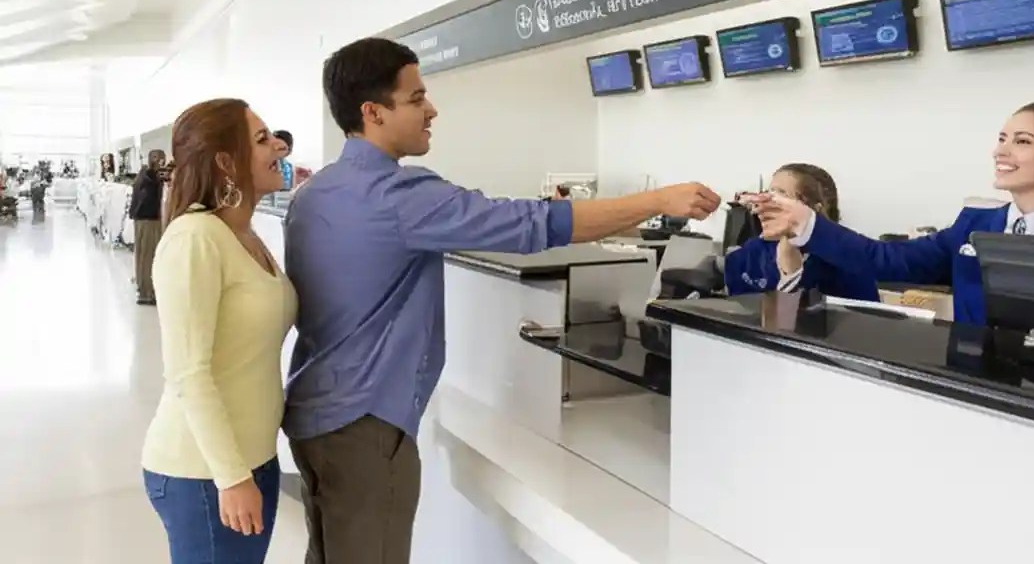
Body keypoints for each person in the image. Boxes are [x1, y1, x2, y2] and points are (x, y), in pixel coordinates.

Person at [283, 37, 720, 563]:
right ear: (373, 112)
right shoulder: (399, 198)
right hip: (365, 427)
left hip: (314, 411)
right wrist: (661, 200)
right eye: (417, 97)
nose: (432, 109)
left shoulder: (315, 193)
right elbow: (534, 225)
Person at [747, 101, 1034, 324]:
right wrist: (808, 224)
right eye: (1001, 139)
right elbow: (885, 260)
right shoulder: (972, 227)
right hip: (967, 390)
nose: (1001, 152)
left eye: (1022, 142)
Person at [141, 98, 296, 564]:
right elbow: (189, 373)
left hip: (252, 460)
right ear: (227, 162)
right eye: (263, 139)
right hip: (204, 474)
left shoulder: (245, 234)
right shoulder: (195, 239)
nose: (280, 147)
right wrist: (231, 477)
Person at [725, 163, 877, 301]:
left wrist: (791, 273)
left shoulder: (847, 261)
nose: (764, 204)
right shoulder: (750, 253)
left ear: (813, 211)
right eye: (767, 194)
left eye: (780, 195)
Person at [129, 149, 167, 305]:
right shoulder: (151, 179)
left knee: (142, 255)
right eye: (161, 159)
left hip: (140, 220)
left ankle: (143, 288)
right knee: (149, 256)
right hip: (149, 220)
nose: (162, 162)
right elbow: (150, 199)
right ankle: (146, 292)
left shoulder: (143, 176)